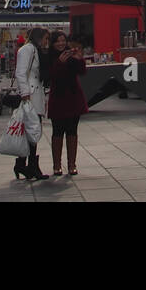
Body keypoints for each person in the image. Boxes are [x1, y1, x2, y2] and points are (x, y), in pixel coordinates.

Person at [46, 31, 87, 176]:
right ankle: (57, 165)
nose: (61, 43)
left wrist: (79, 59)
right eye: (58, 41)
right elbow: (49, 76)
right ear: (53, 43)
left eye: (63, 40)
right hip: (58, 98)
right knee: (57, 131)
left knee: (72, 131)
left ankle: (72, 164)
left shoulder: (70, 54)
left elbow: (81, 71)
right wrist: (59, 63)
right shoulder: (48, 55)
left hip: (73, 97)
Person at [13, 27, 50, 181]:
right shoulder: (27, 50)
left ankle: (24, 164)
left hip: (35, 92)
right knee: (32, 129)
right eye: (45, 38)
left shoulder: (34, 49)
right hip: (30, 94)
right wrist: (25, 93)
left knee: (32, 130)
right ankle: (29, 165)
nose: (46, 42)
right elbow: (20, 72)